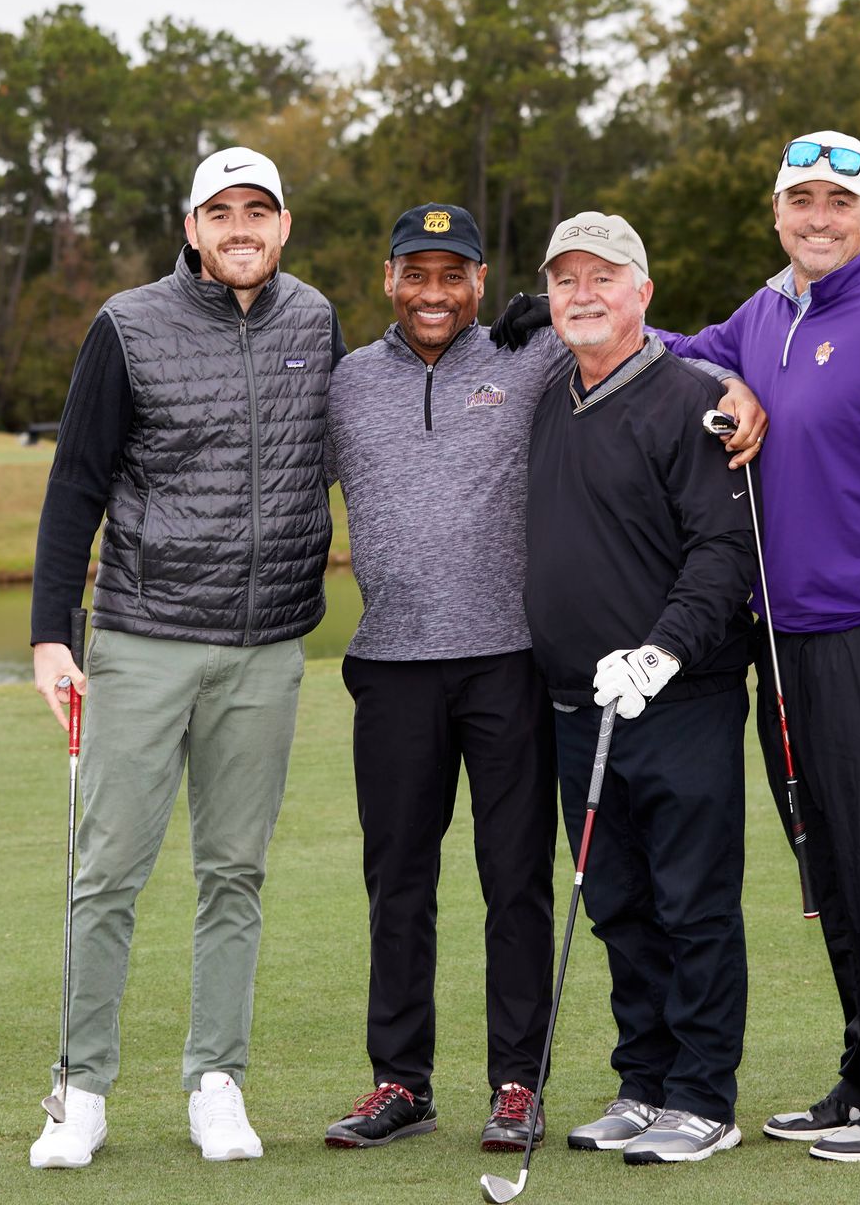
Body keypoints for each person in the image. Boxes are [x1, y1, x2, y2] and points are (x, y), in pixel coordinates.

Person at [321, 204, 762, 1155]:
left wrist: (733, 379)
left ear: (482, 285)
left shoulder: (538, 363)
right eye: (415, 273)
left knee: (532, 882)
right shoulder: (353, 380)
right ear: (388, 278)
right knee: (420, 883)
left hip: (522, 669)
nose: (433, 292)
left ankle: (528, 1084)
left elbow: (661, 362)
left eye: (455, 275)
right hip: (411, 667)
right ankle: (406, 1080)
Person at [653, 130, 860, 1162]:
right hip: (789, 648)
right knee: (835, 874)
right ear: (776, 211)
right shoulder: (765, 317)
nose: (819, 218)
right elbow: (674, 352)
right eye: (802, 199)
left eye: (839, 202)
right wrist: (580, 321)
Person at [26, 146, 344, 1169]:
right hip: (144, 638)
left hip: (266, 646)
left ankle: (217, 1078)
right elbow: (75, 483)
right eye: (223, 211)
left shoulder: (315, 320)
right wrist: (49, 632)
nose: (242, 227)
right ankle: (79, 1089)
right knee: (108, 869)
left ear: (283, 225)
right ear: (193, 225)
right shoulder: (128, 325)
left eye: (259, 210)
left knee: (234, 871)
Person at [523, 211, 758, 1167]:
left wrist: (660, 652)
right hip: (580, 707)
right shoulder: (549, 390)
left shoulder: (693, 398)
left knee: (691, 900)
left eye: (604, 277)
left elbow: (723, 550)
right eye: (566, 279)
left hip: (680, 699)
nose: (584, 294)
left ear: (644, 292)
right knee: (618, 899)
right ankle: (646, 1082)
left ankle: (704, 1095)